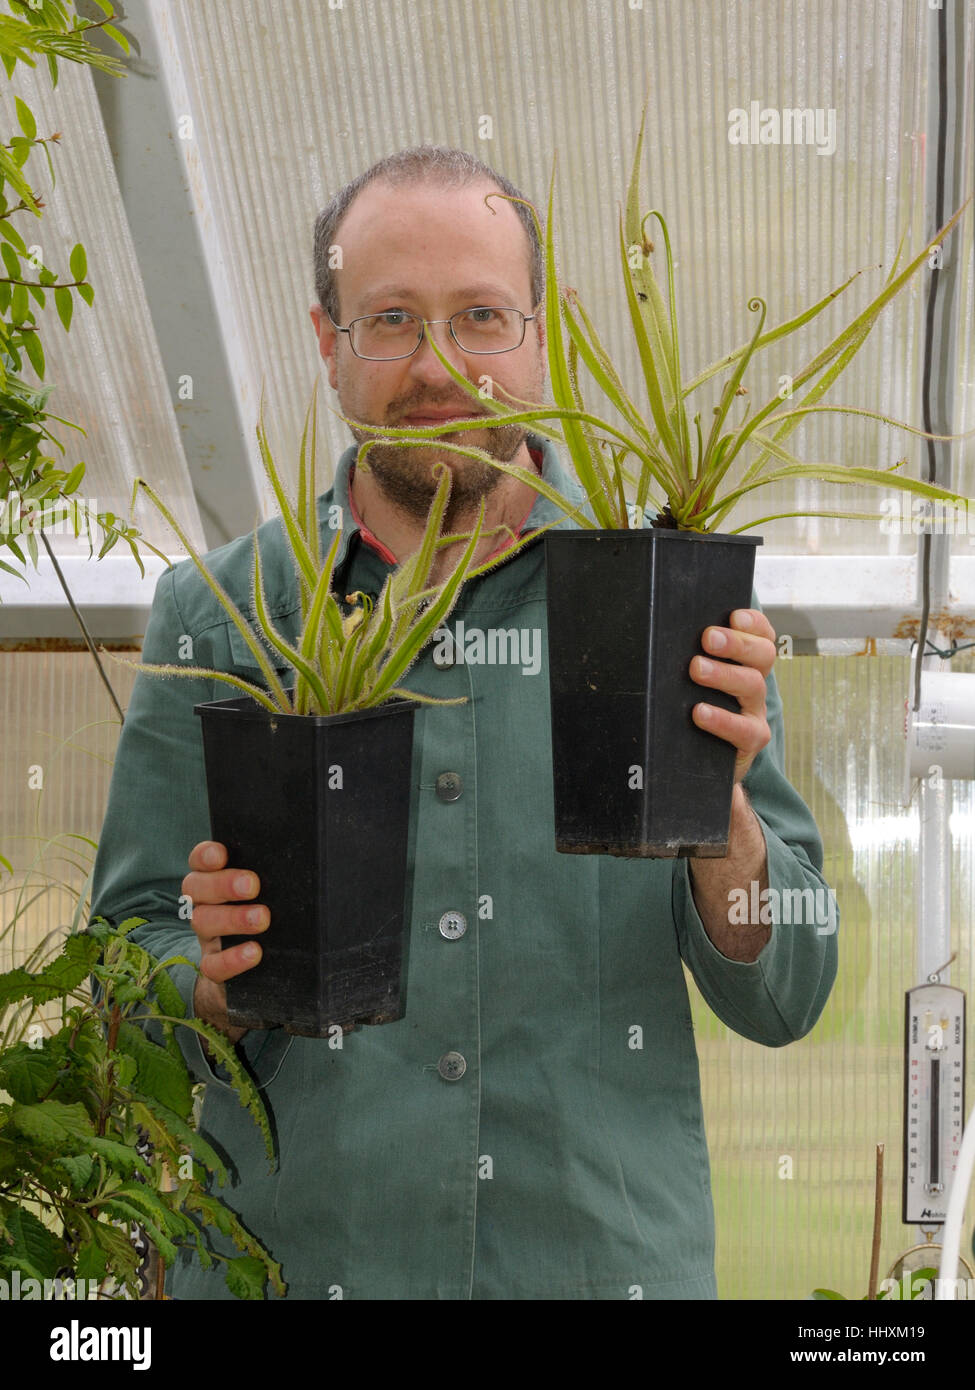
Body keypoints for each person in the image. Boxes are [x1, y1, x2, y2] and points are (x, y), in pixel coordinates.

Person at [90, 144, 838, 1300]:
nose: (439, 363)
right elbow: (123, 960)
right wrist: (212, 978)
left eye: (480, 315)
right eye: (391, 319)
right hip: (300, 1268)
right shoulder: (224, 614)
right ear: (329, 345)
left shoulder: (668, 603)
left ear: (542, 336)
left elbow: (788, 988)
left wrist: (719, 815)